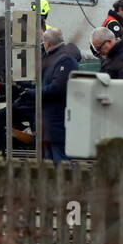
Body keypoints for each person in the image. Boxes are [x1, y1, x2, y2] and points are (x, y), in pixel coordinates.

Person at [40, 27, 79, 163]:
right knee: (51, 161)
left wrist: (34, 93)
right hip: (50, 120)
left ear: (48, 43)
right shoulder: (53, 57)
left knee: (60, 161)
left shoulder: (64, 60)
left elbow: (57, 88)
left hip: (57, 119)